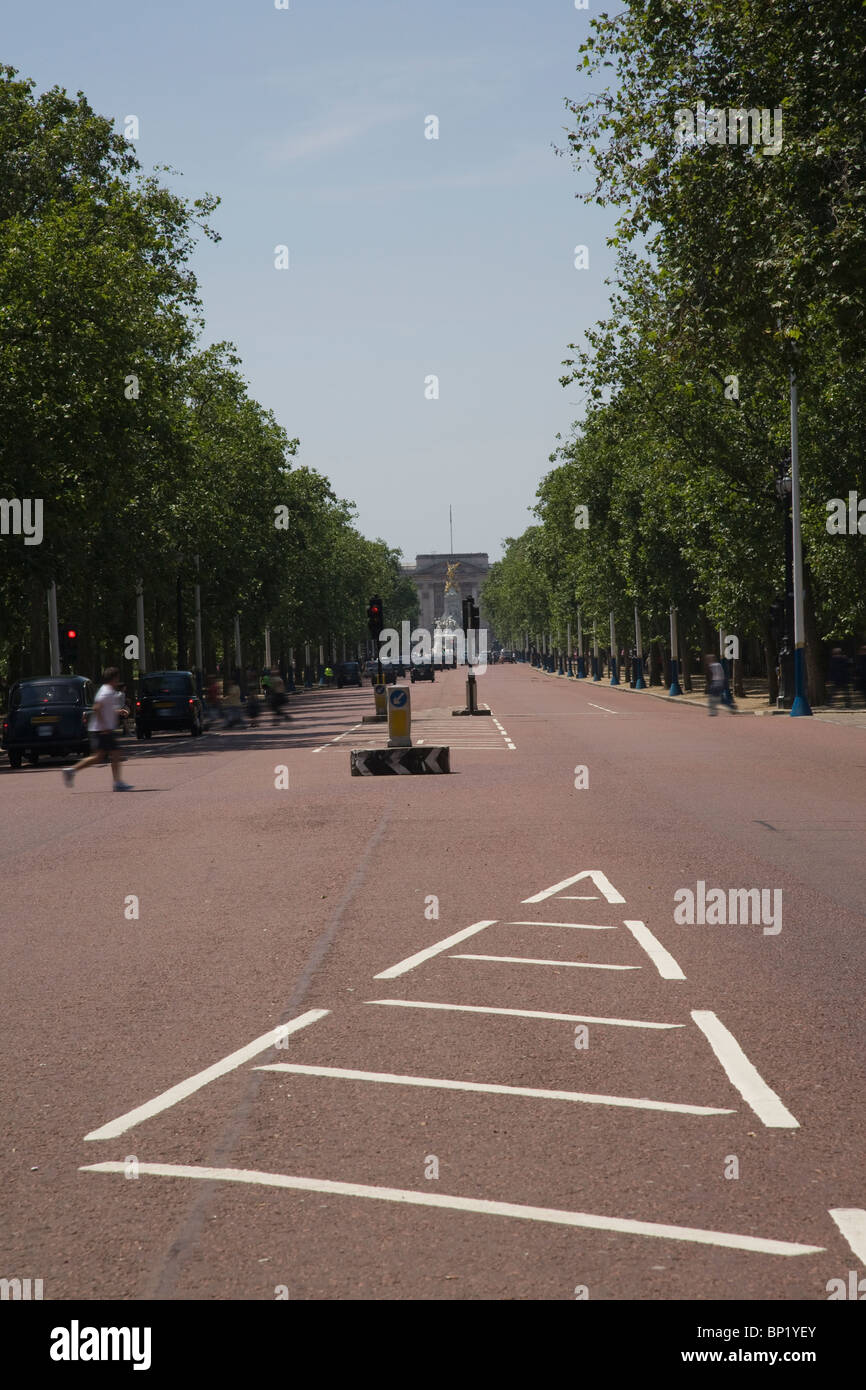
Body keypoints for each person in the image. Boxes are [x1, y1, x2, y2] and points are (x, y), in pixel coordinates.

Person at [62, 666, 132, 790]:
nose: (118, 681)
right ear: (113, 678)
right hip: (103, 729)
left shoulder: (107, 690)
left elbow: (105, 710)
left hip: (101, 729)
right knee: (115, 753)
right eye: (117, 678)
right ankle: (117, 783)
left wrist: (118, 711)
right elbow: (96, 708)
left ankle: (71, 770)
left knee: (98, 756)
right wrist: (104, 726)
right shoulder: (106, 691)